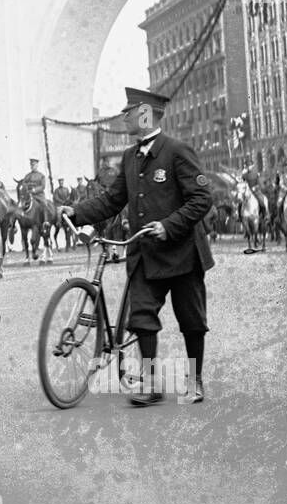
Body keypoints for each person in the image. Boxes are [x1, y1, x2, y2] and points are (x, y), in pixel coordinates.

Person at [61, 86, 215, 406]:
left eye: (129, 112)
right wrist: (77, 213)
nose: (125, 117)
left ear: (145, 113)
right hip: (146, 252)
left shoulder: (177, 151)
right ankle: (151, 382)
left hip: (183, 252)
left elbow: (202, 198)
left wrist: (168, 225)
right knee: (142, 318)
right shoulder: (130, 157)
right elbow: (112, 200)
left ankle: (195, 380)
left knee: (191, 321)